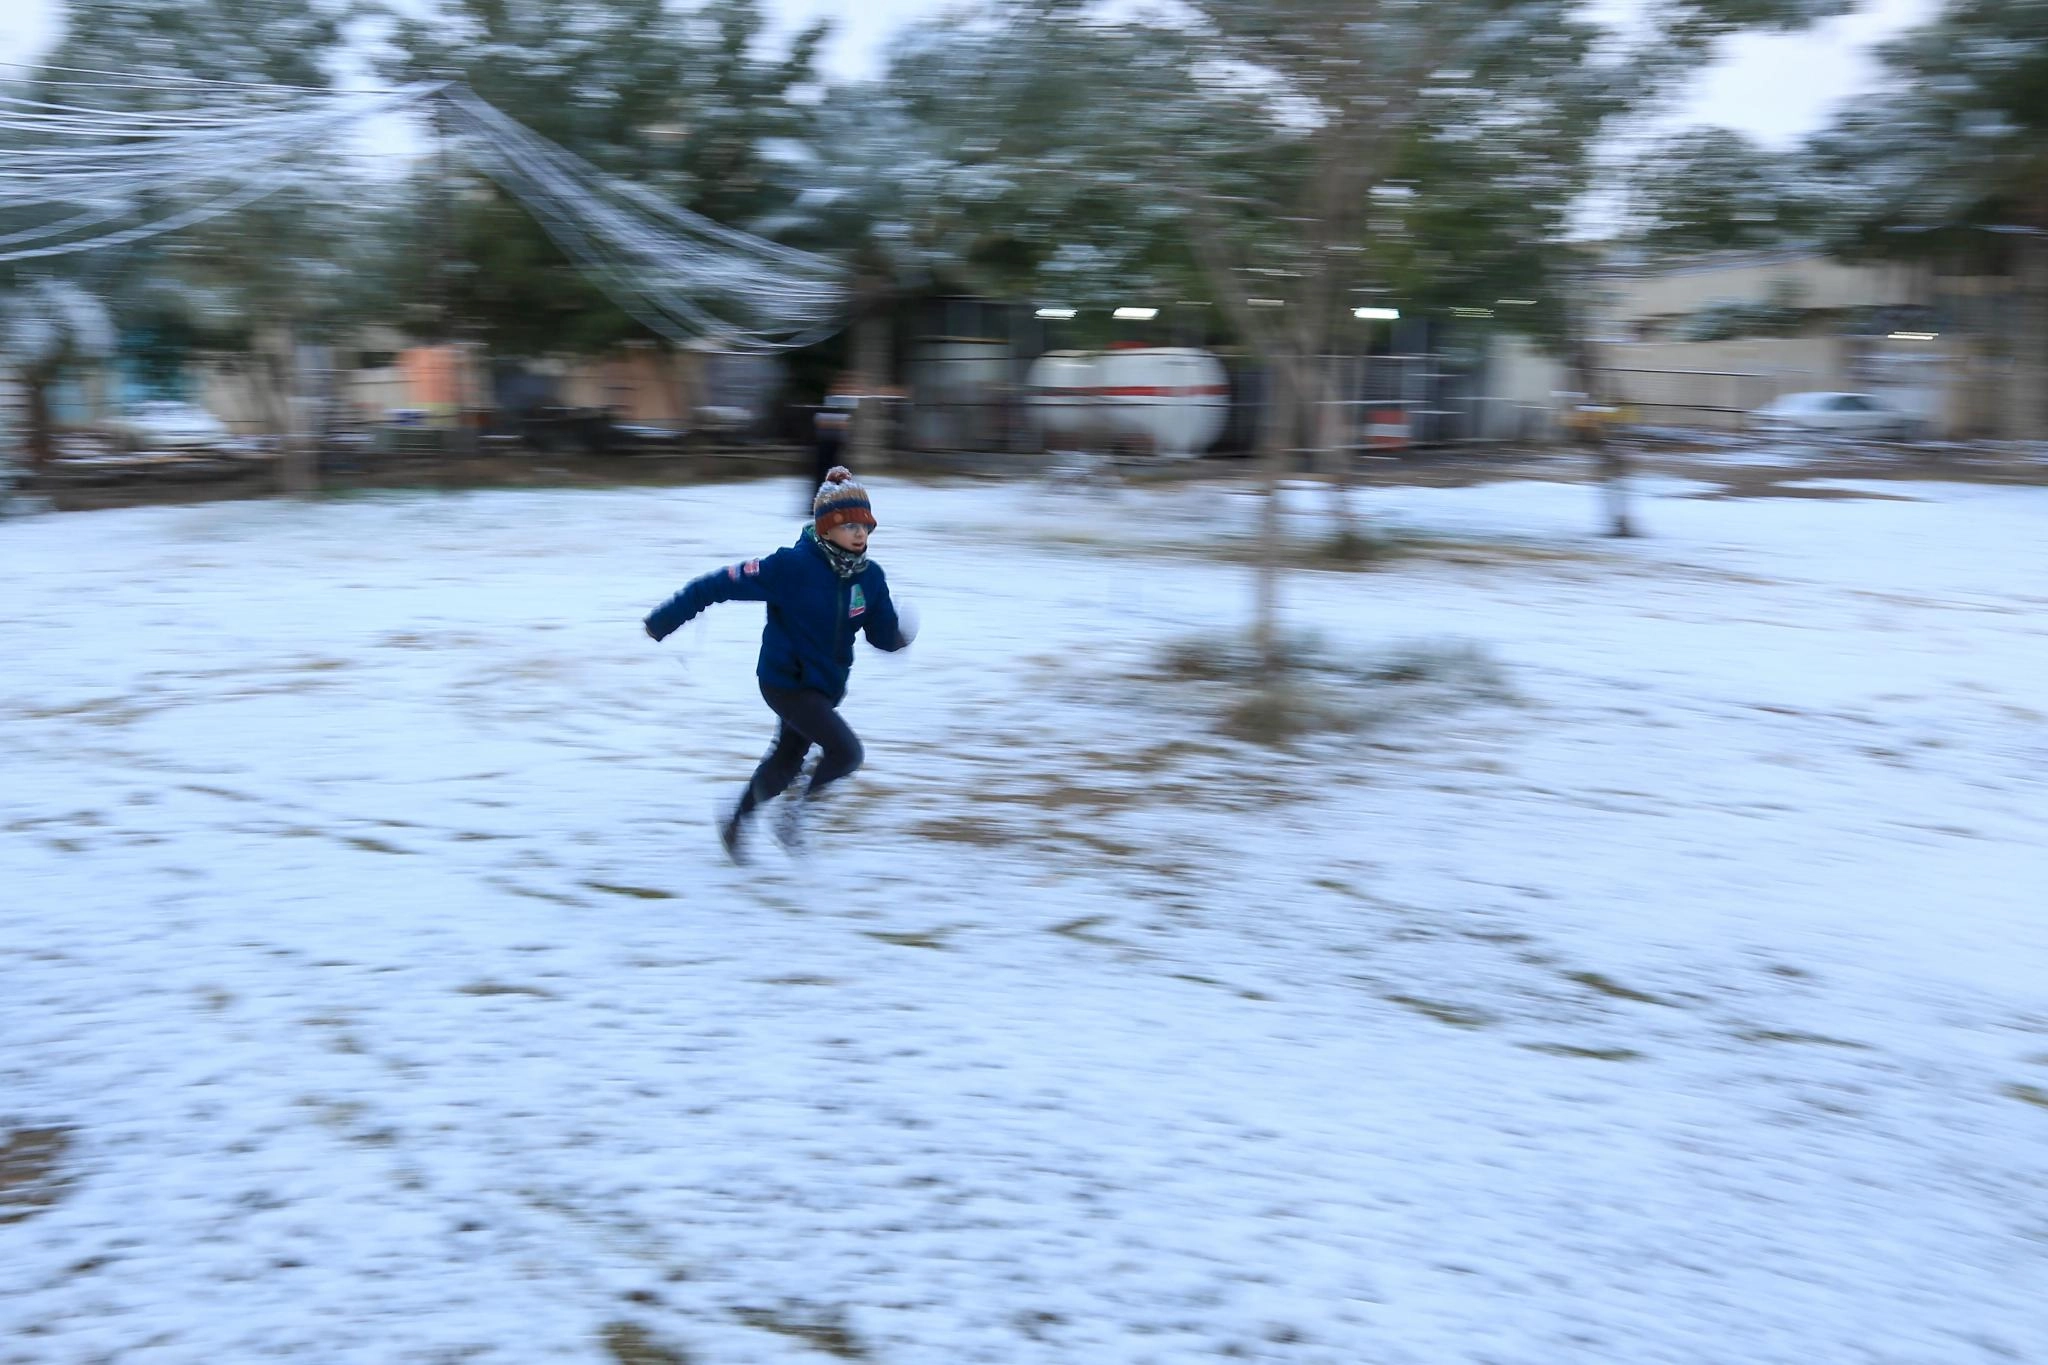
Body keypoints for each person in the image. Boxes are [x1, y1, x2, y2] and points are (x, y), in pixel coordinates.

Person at [644, 467, 915, 862]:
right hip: (785, 681)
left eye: (865, 526)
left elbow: (879, 633)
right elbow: (716, 584)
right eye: (847, 525)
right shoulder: (791, 567)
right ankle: (794, 817)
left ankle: (737, 821)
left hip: (824, 686)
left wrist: (897, 637)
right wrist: (665, 619)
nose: (859, 534)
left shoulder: (869, 579)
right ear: (824, 528)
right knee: (846, 752)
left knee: (787, 762)